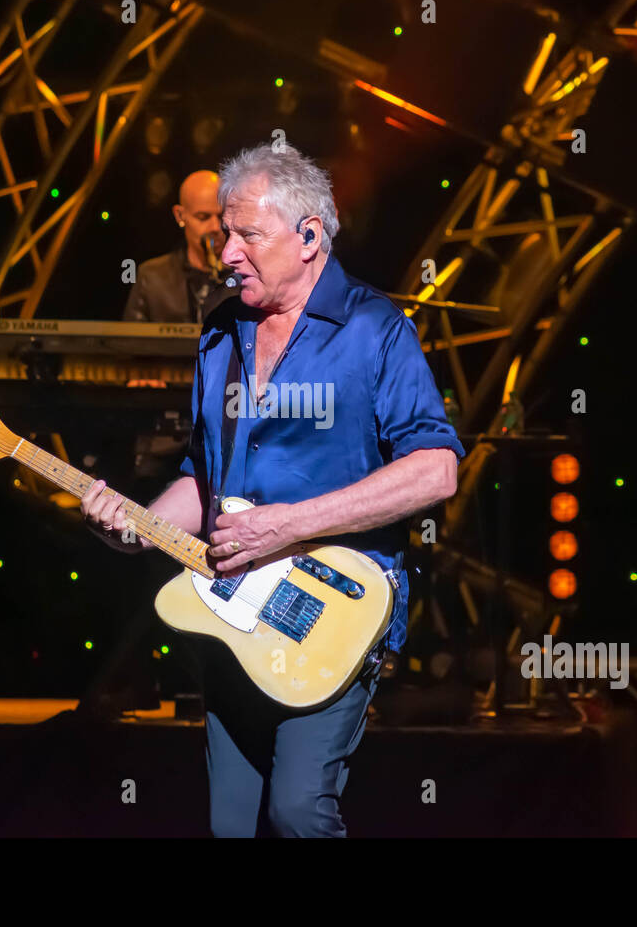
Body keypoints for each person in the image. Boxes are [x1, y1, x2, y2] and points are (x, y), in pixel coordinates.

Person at [82, 143, 463, 836]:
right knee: (230, 826)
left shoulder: (375, 328)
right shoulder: (220, 333)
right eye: (226, 233)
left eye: (247, 235)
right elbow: (206, 476)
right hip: (233, 611)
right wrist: (134, 524)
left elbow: (437, 467)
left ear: (310, 234)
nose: (226, 252)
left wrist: (288, 526)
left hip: (331, 611)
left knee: (297, 812)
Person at [123, 169, 233, 323]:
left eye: (222, 216)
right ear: (180, 215)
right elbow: (132, 344)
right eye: (203, 217)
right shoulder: (151, 276)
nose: (215, 227)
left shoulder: (247, 276)